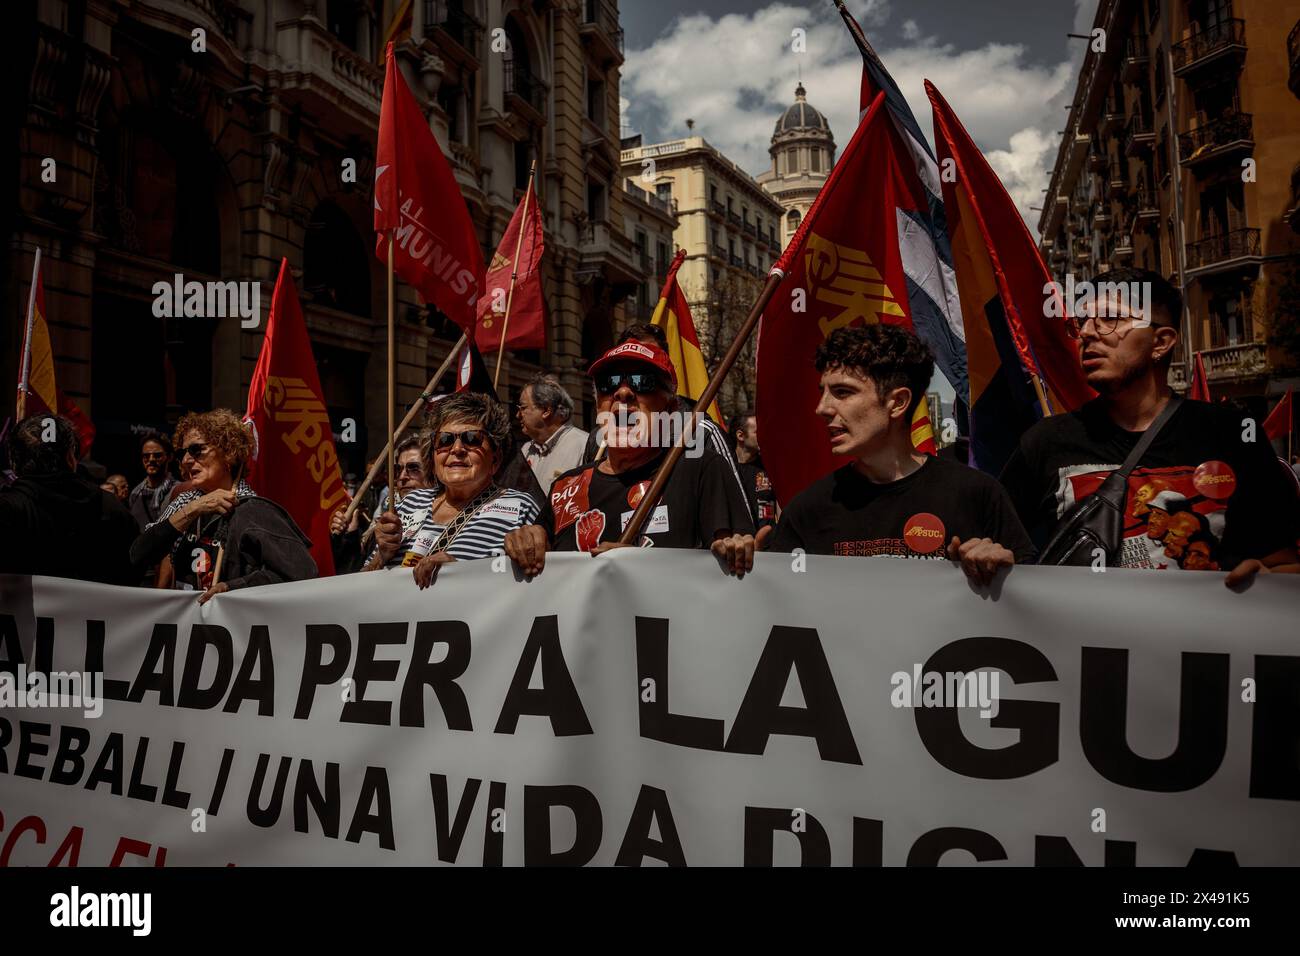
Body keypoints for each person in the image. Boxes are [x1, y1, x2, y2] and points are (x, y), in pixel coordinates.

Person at [999, 267, 1299, 584]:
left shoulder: (1232, 435)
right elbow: (1001, 551)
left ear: (1161, 343)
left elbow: (1283, 565)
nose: (1087, 332)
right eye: (1082, 322)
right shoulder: (1045, 442)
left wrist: (1267, 581)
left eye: (1110, 318)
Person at [737, 325, 1032, 586]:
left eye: (842, 392)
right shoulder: (808, 510)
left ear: (898, 402)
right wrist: (750, 569)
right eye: (823, 392)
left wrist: (1006, 572)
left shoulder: (977, 495)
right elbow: (780, 612)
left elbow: (1039, 602)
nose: (822, 408)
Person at [504, 339, 755, 576]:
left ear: (669, 409)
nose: (622, 392)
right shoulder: (565, 487)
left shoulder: (701, 469)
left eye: (642, 381)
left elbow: (726, 572)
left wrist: (637, 568)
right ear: (598, 404)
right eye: (608, 383)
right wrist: (526, 540)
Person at [130, 409, 317, 602]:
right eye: (181, 453)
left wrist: (231, 588)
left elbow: (301, 572)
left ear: (228, 452)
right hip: (188, 626)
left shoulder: (254, 511)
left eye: (196, 450)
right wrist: (194, 509)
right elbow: (139, 556)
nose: (186, 460)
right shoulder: (183, 504)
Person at [366, 391, 539, 587]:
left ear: (496, 458)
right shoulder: (408, 504)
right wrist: (382, 555)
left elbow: (536, 589)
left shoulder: (520, 507)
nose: (456, 449)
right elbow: (358, 583)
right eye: (445, 440)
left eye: (472, 438)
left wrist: (460, 575)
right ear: (433, 455)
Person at [0, 415, 138, 584]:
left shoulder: (7, 510)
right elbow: (131, 572)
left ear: (14, 462)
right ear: (70, 458)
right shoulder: (114, 509)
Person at [518, 373, 589, 489]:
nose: (518, 415)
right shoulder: (525, 450)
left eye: (523, 407)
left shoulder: (584, 446)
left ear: (546, 410)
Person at [731, 408, 777, 530]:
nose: (764, 435)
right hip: (740, 545)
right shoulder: (725, 468)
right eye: (758, 432)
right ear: (740, 435)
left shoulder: (771, 467)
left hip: (770, 546)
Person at [127, 430, 178, 530]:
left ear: (169, 457)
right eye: (146, 456)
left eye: (157, 455)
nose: (151, 459)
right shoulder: (135, 494)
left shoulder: (179, 491)